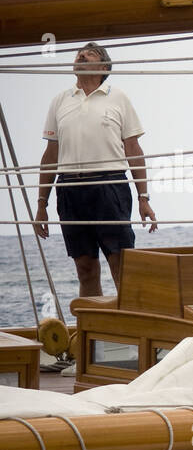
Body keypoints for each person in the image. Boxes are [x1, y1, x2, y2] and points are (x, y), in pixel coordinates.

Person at [34, 42, 157, 297]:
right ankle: (90, 333)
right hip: (69, 189)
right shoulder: (60, 100)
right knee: (85, 268)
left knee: (120, 263)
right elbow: (50, 155)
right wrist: (41, 204)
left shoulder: (118, 97)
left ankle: (131, 328)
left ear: (103, 66)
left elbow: (133, 149)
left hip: (109, 185)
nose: (80, 55)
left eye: (89, 53)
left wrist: (144, 198)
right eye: (78, 53)